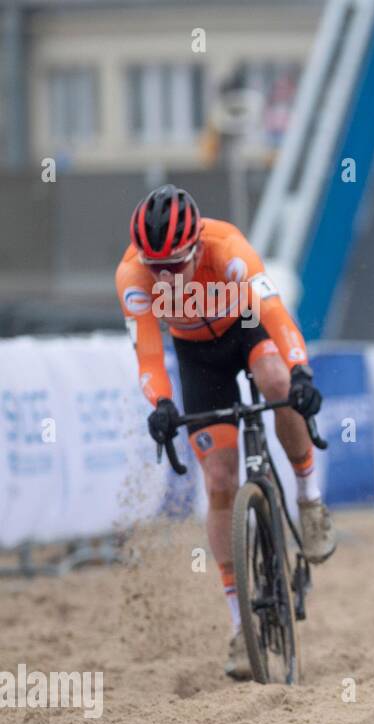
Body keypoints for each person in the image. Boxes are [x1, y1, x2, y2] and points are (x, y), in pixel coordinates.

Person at [116, 184, 336, 679]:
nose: (166, 276)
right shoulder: (134, 275)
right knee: (218, 483)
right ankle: (241, 625)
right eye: (157, 268)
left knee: (277, 381)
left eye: (175, 264)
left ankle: (308, 496)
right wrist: (163, 405)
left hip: (248, 329)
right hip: (198, 359)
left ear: (195, 247)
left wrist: (301, 372)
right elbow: (150, 355)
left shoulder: (228, 248)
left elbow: (276, 315)